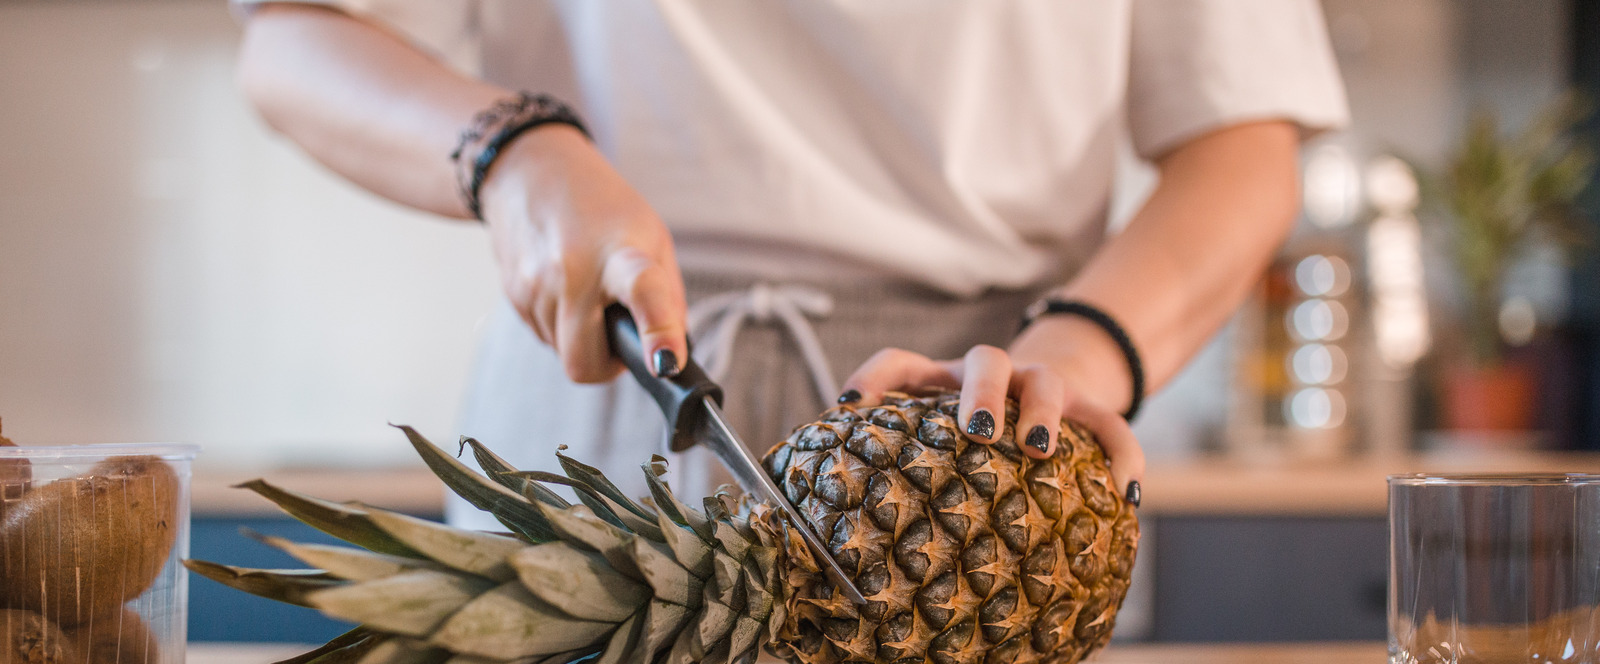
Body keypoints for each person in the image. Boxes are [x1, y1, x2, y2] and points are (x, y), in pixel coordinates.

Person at [233, 0, 1347, 525]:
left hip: (990, 423)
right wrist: (511, 153)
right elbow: (294, 35)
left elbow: (1242, 141)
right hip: (612, 398)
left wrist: (1073, 357)